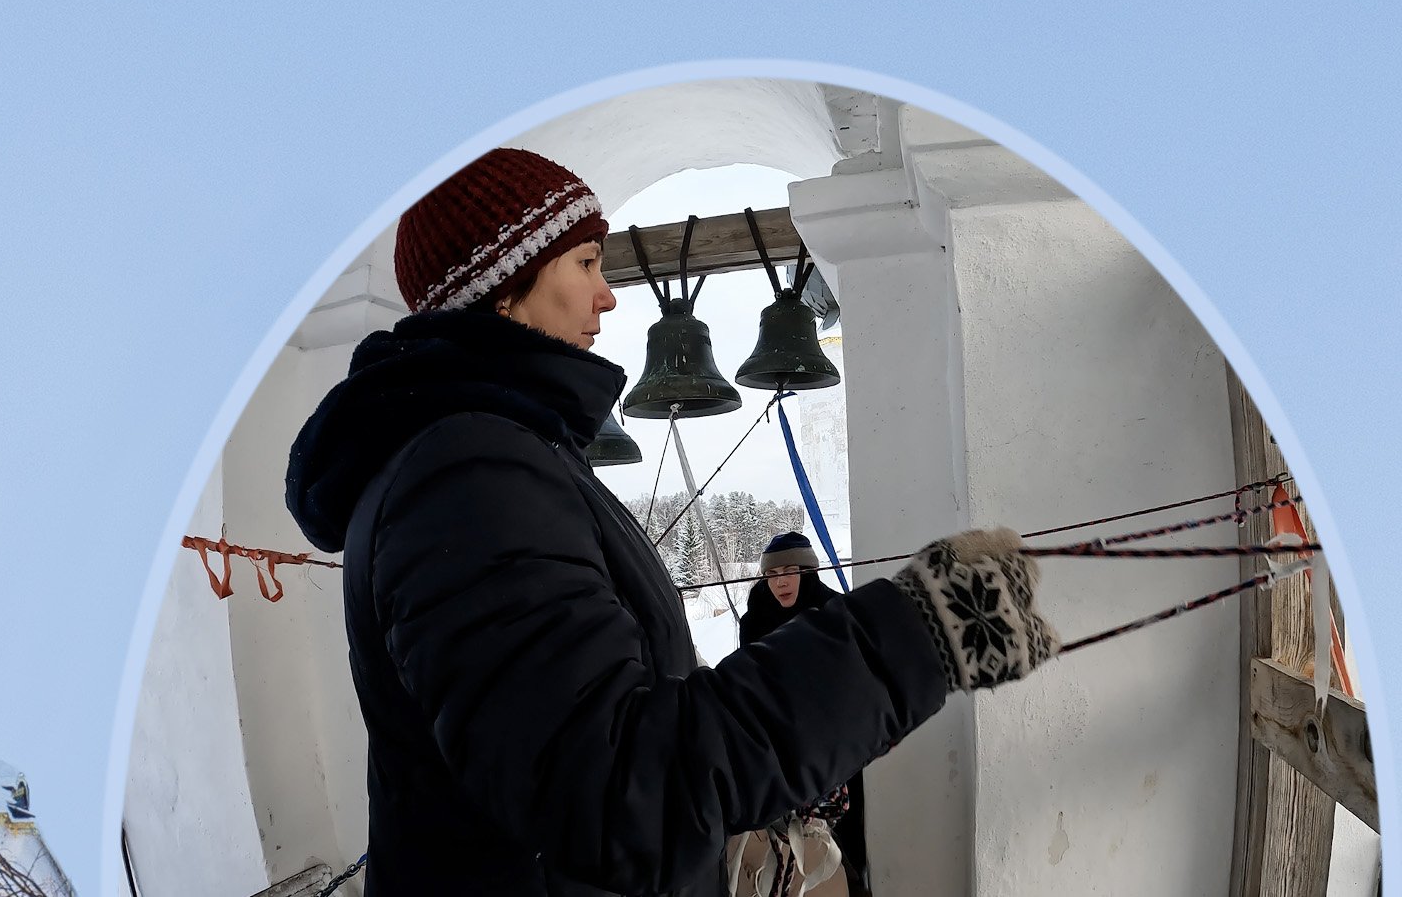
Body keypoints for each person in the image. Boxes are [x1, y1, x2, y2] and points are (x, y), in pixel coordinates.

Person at [283, 147, 1058, 896]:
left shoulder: (487, 458)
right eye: (586, 262)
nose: (608, 293)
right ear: (505, 285)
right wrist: (917, 636)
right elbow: (620, 795)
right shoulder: (466, 476)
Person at [737, 533, 871, 897]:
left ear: (809, 571)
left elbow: (854, 683)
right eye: (772, 573)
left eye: (790, 571)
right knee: (785, 845)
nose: (780, 581)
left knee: (844, 842)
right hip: (780, 751)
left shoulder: (835, 612)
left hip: (835, 750)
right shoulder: (755, 621)